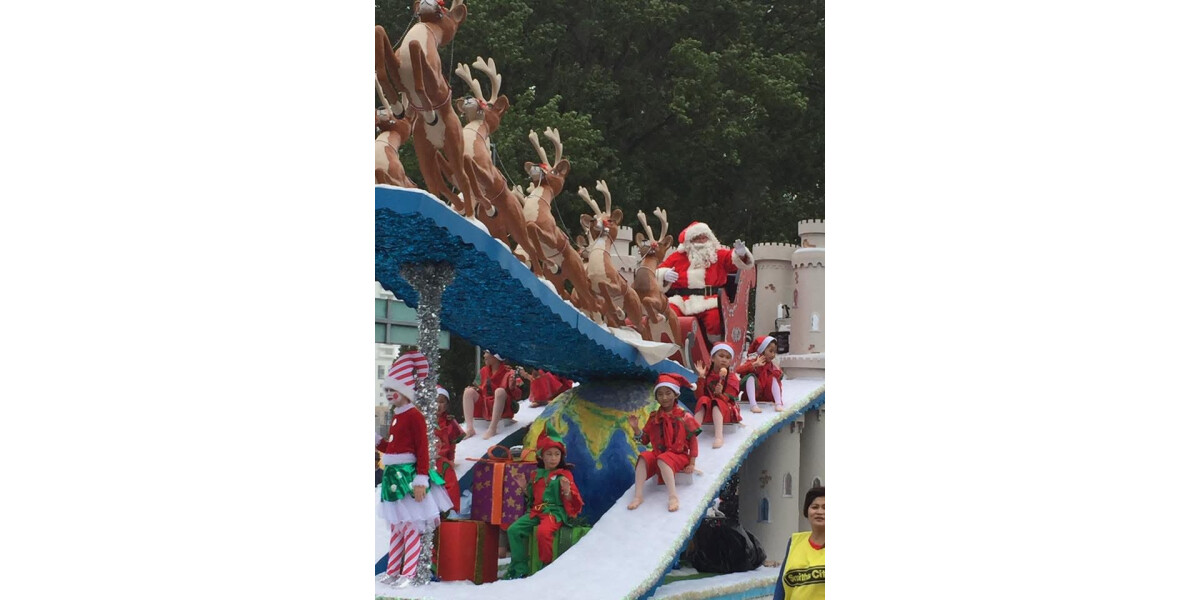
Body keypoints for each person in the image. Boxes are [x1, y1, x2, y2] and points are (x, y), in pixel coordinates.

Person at [376, 351, 454, 586]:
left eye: (394, 389)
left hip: (407, 477)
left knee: (410, 526)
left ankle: (408, 573)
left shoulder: (414, 416)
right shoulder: (398, 416)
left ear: (405, 391)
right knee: (396, 526)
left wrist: (421, 479)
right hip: (392, 476)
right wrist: (379, 441)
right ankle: (393, 571)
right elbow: (394, 448)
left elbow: (422, 449)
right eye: (387, 390)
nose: (390, 394)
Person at [505, 424, 584, 579]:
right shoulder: (536, 475)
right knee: (513, 530)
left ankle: (546, 568)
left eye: (556, 454)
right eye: (549, 454)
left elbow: (573, 501)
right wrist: (524, 489)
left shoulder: (564, 475)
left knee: (543, 532)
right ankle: (520, 567)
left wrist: (567, 491)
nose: (553, 458)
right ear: (541, 456)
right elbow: (534, 499)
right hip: (536, 512)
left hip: (554, 512)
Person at [656, 221, 755, 340]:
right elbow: (658, 271)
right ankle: (674, 344)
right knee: (669, 313)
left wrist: (741, 254)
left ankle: (715, 350)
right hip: (682, 300)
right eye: (697, 238)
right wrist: (664, 274)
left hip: (710, 300)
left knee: (715, 320)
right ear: (689, 241)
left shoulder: (718, 254)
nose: (701, 241)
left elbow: (733, 261)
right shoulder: (677, 257)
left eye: (704, 237)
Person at [627, 373, 701, 513]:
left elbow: (693, 441)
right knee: (644, 457)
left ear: (676, 394)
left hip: (678, 456)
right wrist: (636, 429)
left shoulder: (685, 416)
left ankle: (673, 496)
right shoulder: (654, 417)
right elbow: (645, 440)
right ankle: (638, 496)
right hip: (659, 454)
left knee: (663, 459)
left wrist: (691, 463)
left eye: (668, 393)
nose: (664, 397)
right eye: (660, 394)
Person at [773, 486, 825, 600]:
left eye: (825, 507)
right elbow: (781, 586)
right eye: (815, 507)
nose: (820, 512)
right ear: (807, 511)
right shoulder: (794, 542)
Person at [462, 350, 524, 440]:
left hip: (502, 408)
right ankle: (470, 428)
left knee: (500, 391)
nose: (484, 356)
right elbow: (479, 387)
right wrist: (475, 389)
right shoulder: (483, 371)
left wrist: (513, 388)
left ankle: (493, 428)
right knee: (468, 392)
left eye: (486, 353)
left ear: (495, 356)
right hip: (485, 408)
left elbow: (518, 395)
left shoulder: (510, 372)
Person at [693, 343, 742, 449]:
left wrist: (720, 394)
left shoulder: (732, 378)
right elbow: (698, 396)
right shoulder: (706, 375)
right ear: (713, 358)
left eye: (728, 357)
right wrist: (701, 378)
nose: (724, 359)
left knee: (717, 402)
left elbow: (731, 399)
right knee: (703, 399)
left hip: (726, 411)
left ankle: (719, 436)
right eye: (721, 356)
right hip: (709, 412)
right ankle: (692, 435)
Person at [434, 385, 465, 512]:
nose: (438, 405)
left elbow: (452, 444)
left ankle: (451, 510)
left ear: (446, 405)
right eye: (436, 401)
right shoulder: (422, 420)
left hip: (442, 460)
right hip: (425, 459)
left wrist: (451, 459)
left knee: (450, 481)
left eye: (442, 402)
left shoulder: (450, 422)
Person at [737, 335, 784, 413]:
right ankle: (753, 405)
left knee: (773, 377)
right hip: (755, 391)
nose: (773, 355)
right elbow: (738, 370)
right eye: (771, 351)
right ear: (762, 351)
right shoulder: (753, 360)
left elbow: (778, 377)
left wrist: (778, 372)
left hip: (765, 394)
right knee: (750, 377)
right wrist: (754, 364)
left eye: (774, 352)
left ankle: (778, 403)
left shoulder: (771, 364)